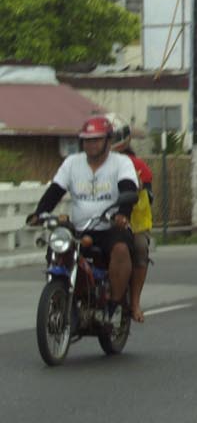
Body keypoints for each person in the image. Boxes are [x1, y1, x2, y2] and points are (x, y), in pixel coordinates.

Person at [26, 116, 138, 316]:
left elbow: (128, 189)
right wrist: (39, 212)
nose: (91, 144)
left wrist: (122, 214)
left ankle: (114, 303)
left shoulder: (122, 163)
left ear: (108, 141)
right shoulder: (72, 163)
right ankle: (66, 296)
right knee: (58, 248)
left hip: (109, 228)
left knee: (121, 249)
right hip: (79, 227)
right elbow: (55, 190)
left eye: (96, 139)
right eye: (87, 140)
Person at [109, 116, 154, 323]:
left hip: (134, 223)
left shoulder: (135, 165)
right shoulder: (89, 164)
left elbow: (139, 189)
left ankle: (134, 302)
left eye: (111, 137)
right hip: (100, 221)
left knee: (139, 248)